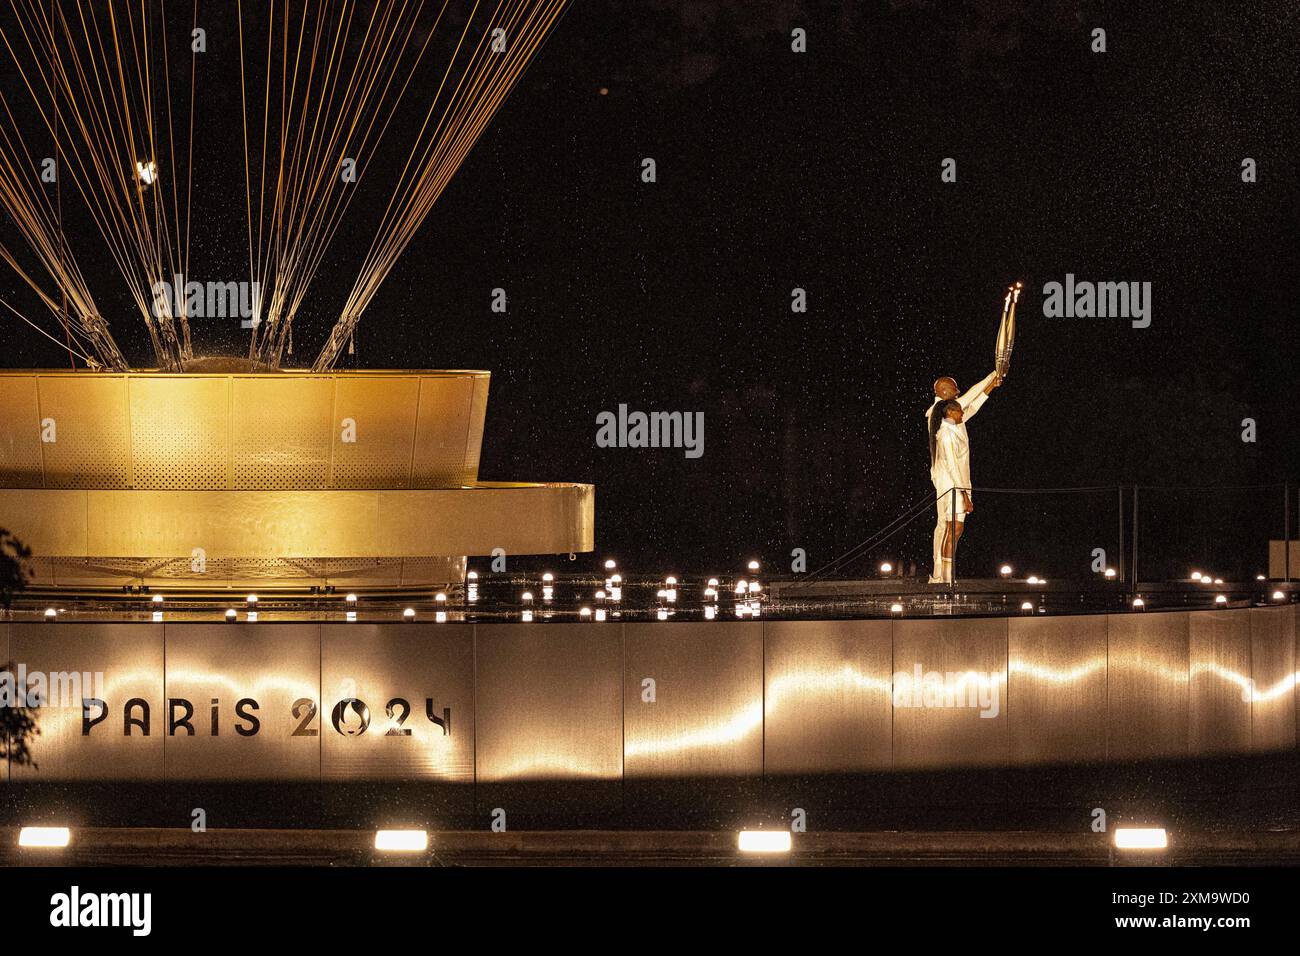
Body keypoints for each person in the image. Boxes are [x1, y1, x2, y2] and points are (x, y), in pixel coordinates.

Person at [924, 371, 1000, 583]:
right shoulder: (938, 418)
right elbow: (969, 399)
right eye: (955, 391)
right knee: (951, 527)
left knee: (950, 528)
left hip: (956, 481)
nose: (959, 394)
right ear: (945, 393)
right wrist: (993, 375)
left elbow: (972, 407)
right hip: (951, 483)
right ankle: (944, 577)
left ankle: (943, 575)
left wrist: (992, 387)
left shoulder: (952, 419)